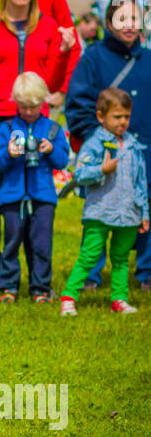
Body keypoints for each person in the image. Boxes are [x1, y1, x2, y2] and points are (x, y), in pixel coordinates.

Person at [0, 0, 77, 299]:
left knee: (34, 196)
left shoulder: (45, 27)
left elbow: (54, 82)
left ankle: (35, 280)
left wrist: (62, 52)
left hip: (34, 118)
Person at [65, 0, 151, 289]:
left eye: (134, 18)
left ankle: (146, 272)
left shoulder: (148, 58)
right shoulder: (93, 57)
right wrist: (99, 142)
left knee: (145, 207)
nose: (129, 25)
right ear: (109, 21)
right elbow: (78, 105)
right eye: (121, 18)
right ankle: (90, 274)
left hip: (145, 149)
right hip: (108, 153)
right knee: (100, 212)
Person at [61, 88, 149, 317]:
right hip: (100, 212)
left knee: (121, 259)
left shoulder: (133, 145)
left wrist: (144, 213)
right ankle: (69, 297)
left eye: (126, 117)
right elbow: (79, 173)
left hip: (128, 213)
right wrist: (101, 169)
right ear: (101, 116)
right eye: (117, 117)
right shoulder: (95, 143)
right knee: (89, 255)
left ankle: (119, 300)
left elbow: (141, 182)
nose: (123, 122)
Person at [0, 72, 70, 303]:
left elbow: (63, 161)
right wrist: (9, 153)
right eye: (23, 106)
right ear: (15, 102)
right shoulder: (7, 128)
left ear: (43, 103)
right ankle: (8, 288)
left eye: (33, 107)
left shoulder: (52, 129)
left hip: (43, 196)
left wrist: (50, 150)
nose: (27, 112)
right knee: (11, 242)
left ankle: (41, 288)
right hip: (13, 196)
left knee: (41, 245)